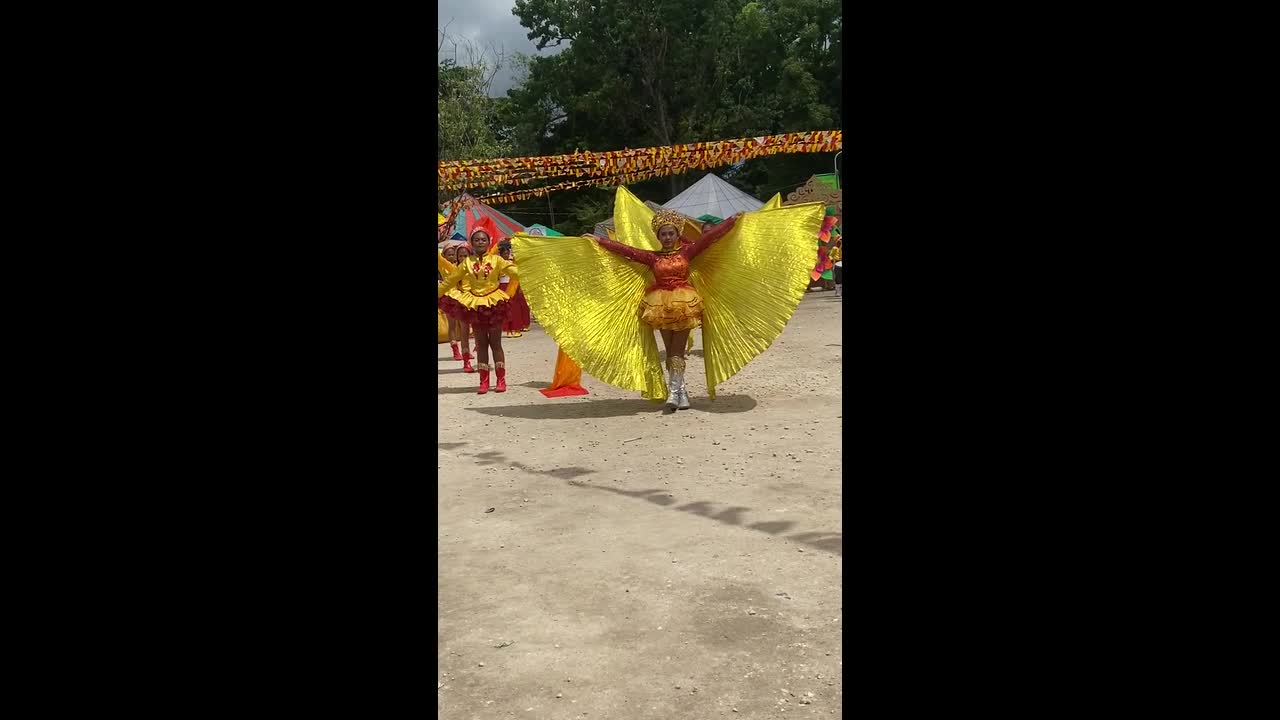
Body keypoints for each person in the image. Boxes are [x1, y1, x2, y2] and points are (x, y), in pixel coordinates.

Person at [511, 187, 825, 410]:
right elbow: (628, 252)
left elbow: (711, 238)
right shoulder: (651, 257)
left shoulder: (689, 251)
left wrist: (733, 221)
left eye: (670, 232)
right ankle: (677, 392)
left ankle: (678, 392)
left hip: (686, 302)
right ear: (658, 235)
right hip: (659, 305)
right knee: (669, 348)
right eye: (662, 233)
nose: (667, 236)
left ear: (676, 233)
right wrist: (600, 242)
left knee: (678, 349)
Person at [438, 221, 521, 394]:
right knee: (481, 343)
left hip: (494, 303)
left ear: (488, 242)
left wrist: (531, 271)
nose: (480, 242)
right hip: (475, 306)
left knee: (496, 343)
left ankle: (500, 379)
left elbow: (515, 272)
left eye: (483, 239)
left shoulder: (497, 260)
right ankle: (483, 381)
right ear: (472, 243)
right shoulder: (466, 263)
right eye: (477, 240)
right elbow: (451, 280)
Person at [440, 243, 474, 371]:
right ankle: (456, 349)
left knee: (466, 329)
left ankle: (467, 353)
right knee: (452, 325)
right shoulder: (447, 267)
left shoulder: (472, 267)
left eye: (465, 255)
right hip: (450, 298)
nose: (462, 257)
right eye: (460, 255)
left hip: (467, 299)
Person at [497, 240, 532, 338]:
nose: (506, 255)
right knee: (507, 308)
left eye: (508, 253)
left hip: (512, 285)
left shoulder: (511, 262)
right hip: (503, 286)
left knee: (515, 307)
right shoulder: (499, 263)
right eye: (504, 253)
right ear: (501, 254)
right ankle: (509, 329)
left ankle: (515, 328)